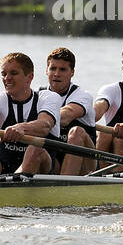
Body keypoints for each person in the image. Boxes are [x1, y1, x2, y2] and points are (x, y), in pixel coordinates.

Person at [0, 52, 60, 176]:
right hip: (2, 170)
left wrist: (21, 127)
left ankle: (12, 186)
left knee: (35, 148)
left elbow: (45, 125)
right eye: (4, 74)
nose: (7, 78)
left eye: (14, 73)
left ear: (30, 77)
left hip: (42, 171)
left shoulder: (48, 97)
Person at [40, 47, 97, 176]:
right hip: (55, 159)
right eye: (53, 68)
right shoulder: (38, 95)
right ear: (46, 70)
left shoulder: (82, 95)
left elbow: (66, 116)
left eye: (63, 69)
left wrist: (37, 123)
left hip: (86, 162)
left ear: (72, 72)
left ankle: (63, 187)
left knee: (77, 132)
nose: (56, 74)